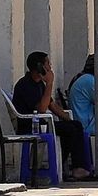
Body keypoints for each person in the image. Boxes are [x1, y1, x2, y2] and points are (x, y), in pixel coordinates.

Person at [13, 51, 91, 181]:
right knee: (69, 130)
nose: (50, 67)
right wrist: (49, 84)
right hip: (30, 126)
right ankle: (72, 166)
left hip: (41, 124)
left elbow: (52, 105)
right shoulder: (26, 84)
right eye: (47, 64)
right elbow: (42, 109)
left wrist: (68, 118)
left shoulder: (39, 84)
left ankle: (74, 167)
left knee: (74, 126)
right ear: (40, 67)